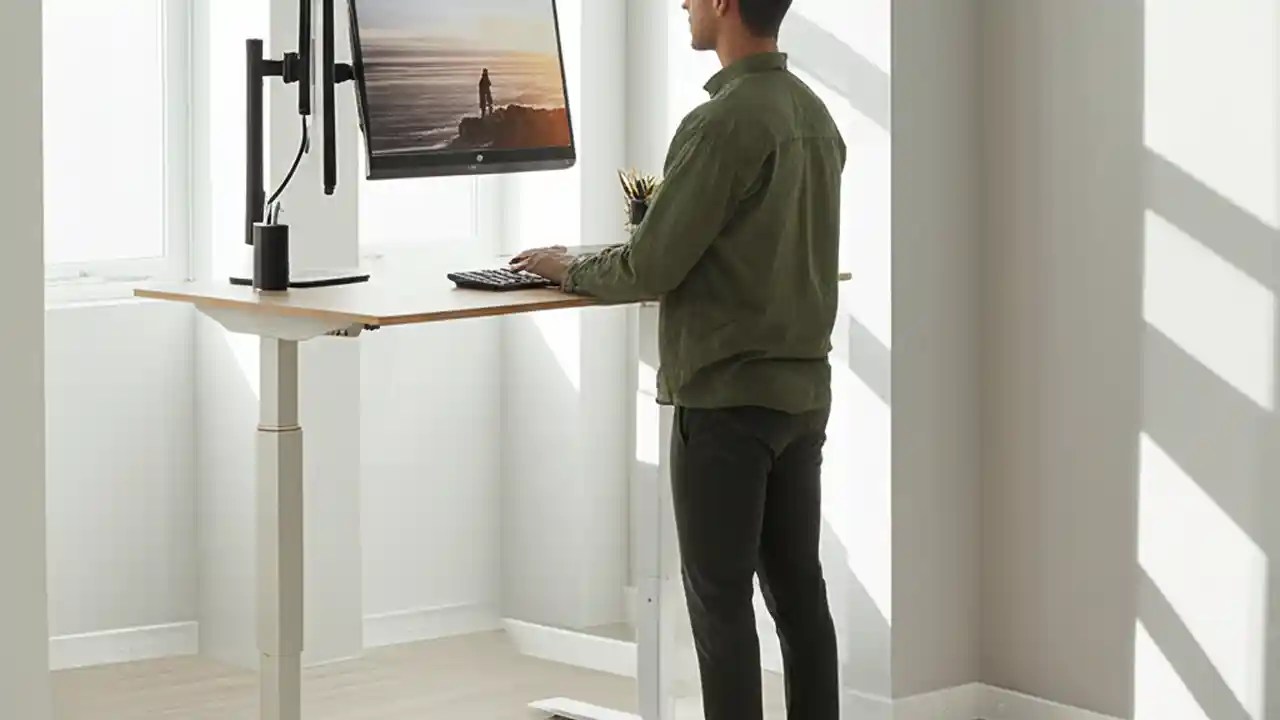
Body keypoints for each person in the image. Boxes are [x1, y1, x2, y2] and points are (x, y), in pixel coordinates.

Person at [511, 0, 844, 718]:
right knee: (799, 599)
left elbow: (653, 265)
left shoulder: (720, 123)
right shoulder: (815, 116)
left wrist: (567, 267)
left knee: (720, 607)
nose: (684, 4)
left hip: (726, 403)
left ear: (725, 3)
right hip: (803, 396)